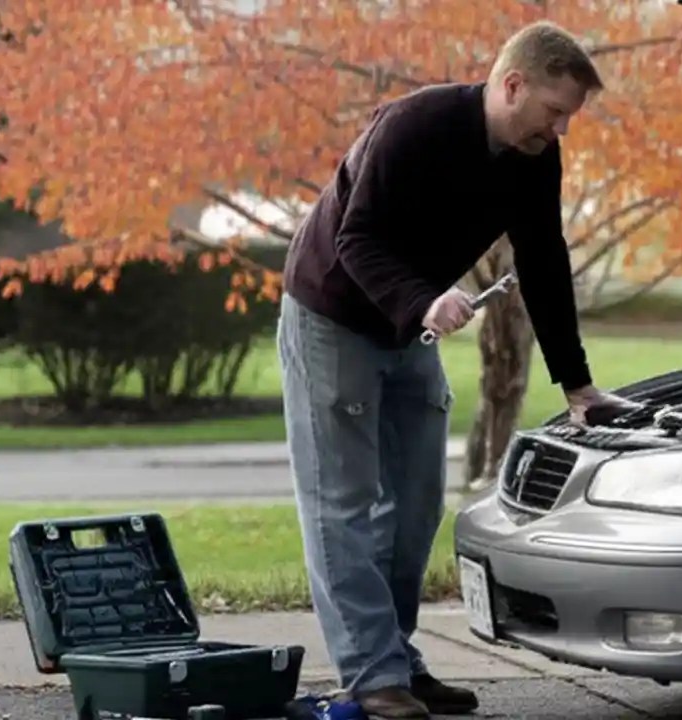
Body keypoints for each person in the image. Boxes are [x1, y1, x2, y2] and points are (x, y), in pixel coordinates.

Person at [276, 20, 638, 719]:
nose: (561, 129)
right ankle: (375, 676)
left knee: (415, 504)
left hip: (410, 324)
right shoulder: (413, 126)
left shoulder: (533, 157)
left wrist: (576, 385)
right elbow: (356, 237)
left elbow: (543, 261)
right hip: (333, 318)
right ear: (512, 85)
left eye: (569, 117)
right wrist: (425, 300)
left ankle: (394, 658)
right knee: (343, 505)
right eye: (555, 111)